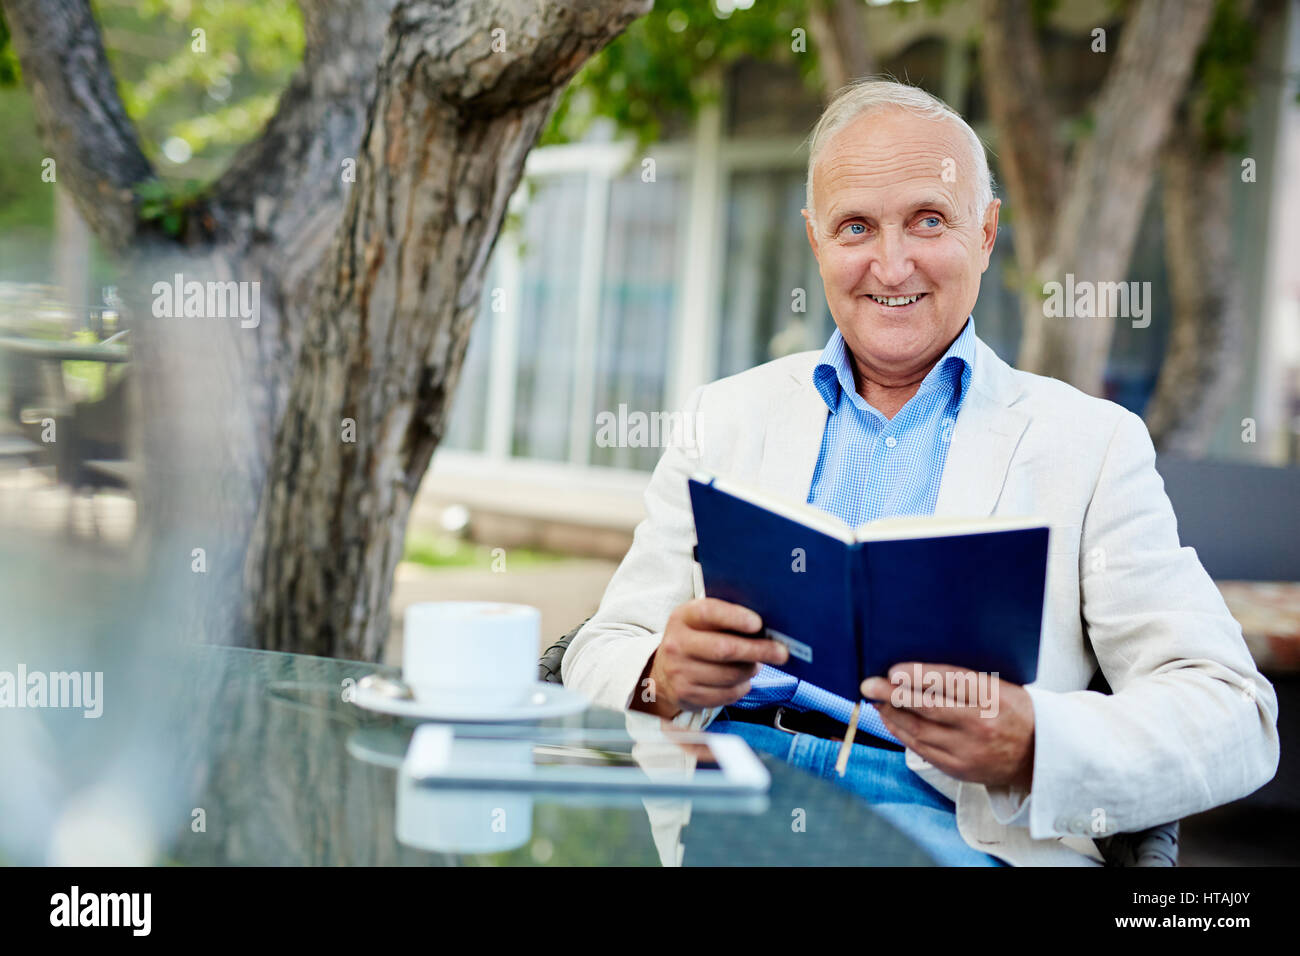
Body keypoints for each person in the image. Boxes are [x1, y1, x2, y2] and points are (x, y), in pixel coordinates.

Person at [562, 78, 1279, 866]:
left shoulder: (1092, 444)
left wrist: (1035, 743)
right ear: (815, 241)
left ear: (986, 232)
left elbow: (1234, 713)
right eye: (856, 226)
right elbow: (599, 649)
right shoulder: (724, 417)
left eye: (927, 220)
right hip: (726, 808)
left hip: (955, 835)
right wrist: (660, 672)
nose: (891, 264)